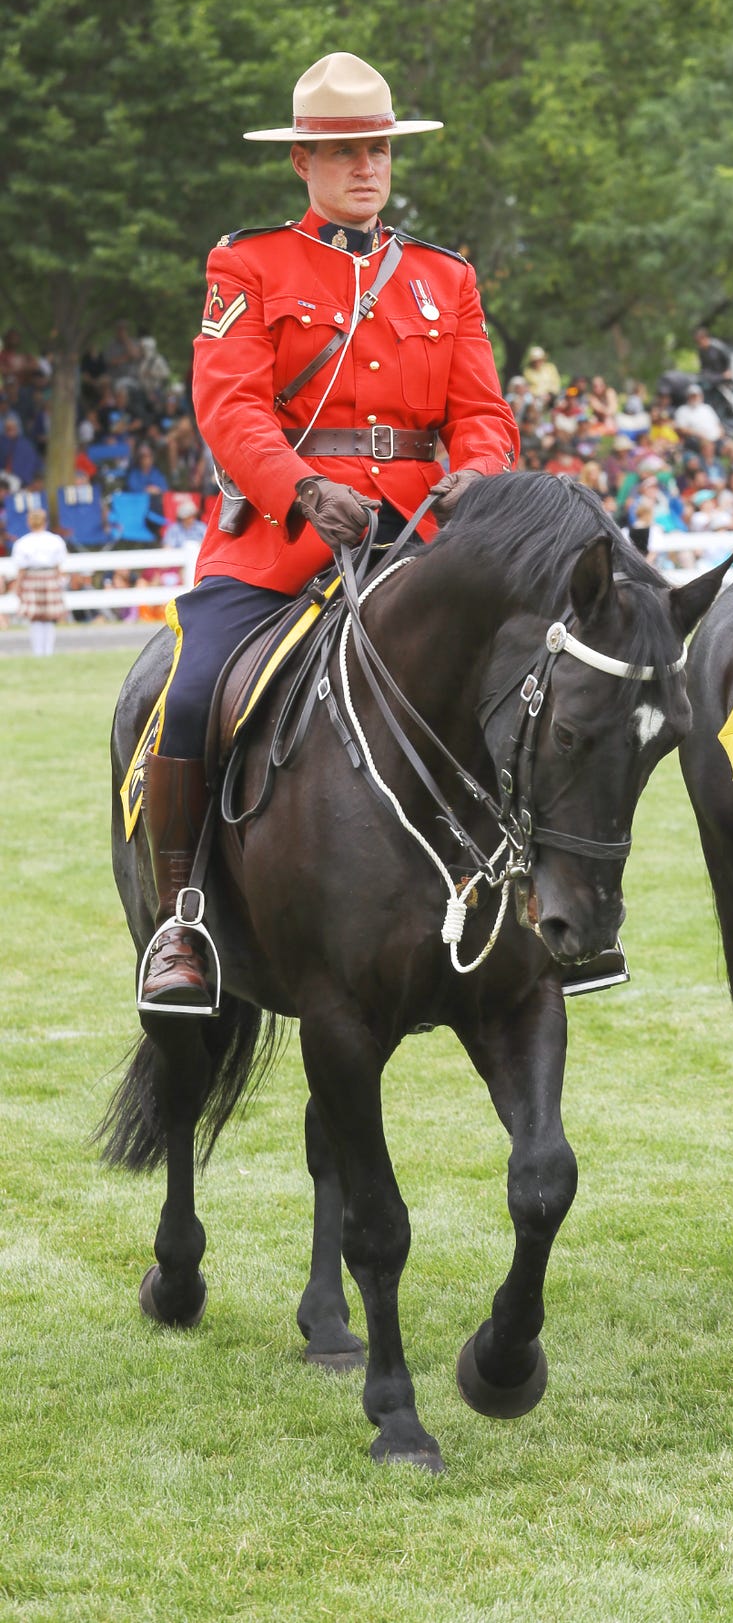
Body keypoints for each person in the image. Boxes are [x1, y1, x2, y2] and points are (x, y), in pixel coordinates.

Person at [136, 51, 519, 1012]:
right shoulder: (249, 263)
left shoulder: (445, 277)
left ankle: (543, 894)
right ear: (301, 162)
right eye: (344, 151)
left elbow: (484, 415)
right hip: (282, 545)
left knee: (540, 681)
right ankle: (183, 920)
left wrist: (473, 480)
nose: (366, 167)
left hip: (421, 543)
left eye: (378, 149)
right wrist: (302, 490)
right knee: (189, 694)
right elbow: (229, 408)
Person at [11, 506, 69, 656]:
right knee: (48, 618)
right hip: (49, 577)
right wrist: (60, 581)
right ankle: (47, 652)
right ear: (45, 521)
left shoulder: (23, 542)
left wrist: (18, 586)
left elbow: (21, 569)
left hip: (31, 578)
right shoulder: (55, 540)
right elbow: (58, 565)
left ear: (29, 522)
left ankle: (38, 652)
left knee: (36, 618)